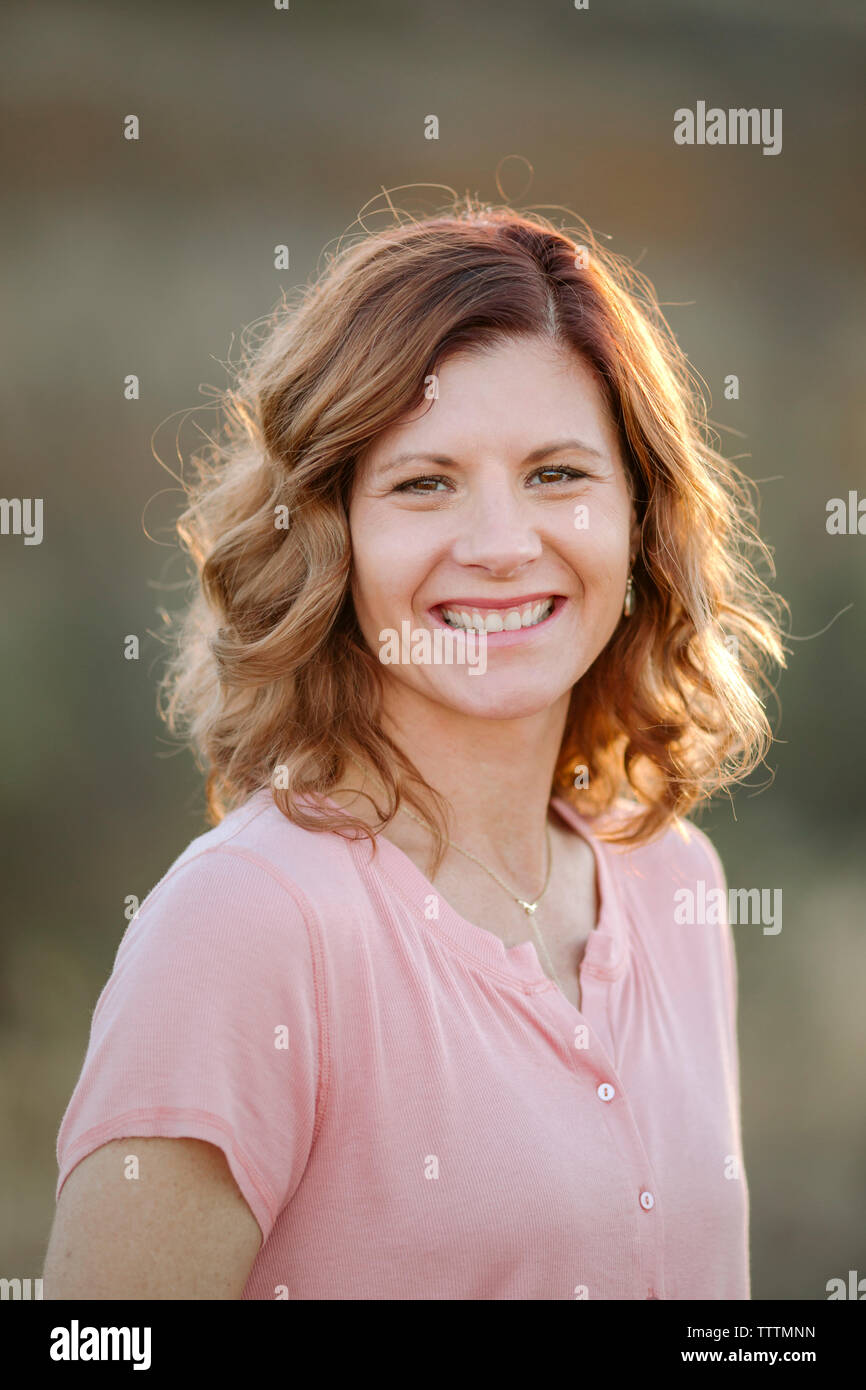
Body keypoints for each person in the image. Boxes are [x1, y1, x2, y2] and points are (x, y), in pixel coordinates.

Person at [43, 201, 785, 1300]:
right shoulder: (246, 925)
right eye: (422, 482)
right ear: (331, 536)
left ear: (639, 517)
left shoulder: (672, 879)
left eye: (556, 474)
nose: (498, 546)